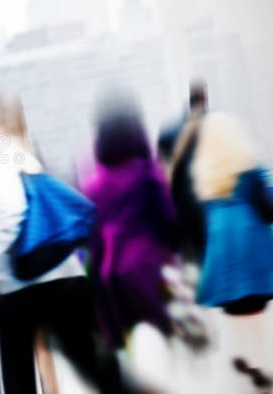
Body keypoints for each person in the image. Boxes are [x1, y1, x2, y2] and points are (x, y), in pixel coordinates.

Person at [0, 89, 128, 394]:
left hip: (19, 283)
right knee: (92, 364)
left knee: (17, 371)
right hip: (62, 273)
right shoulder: (22, 151)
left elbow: (12, 211)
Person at [82, 95, 178, 349]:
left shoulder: (92, 184)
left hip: (111, 274)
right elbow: (168, 216)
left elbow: (91, 238)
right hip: (149, 265)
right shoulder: (146, 173)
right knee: (162, 337)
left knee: (132, 343)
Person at [192, 112, 273, 389]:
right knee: (255, 306)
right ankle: (259, 362)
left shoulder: (206, 177)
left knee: (236, 306)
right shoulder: (249, 166)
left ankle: (244, 357)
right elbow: (268, 205)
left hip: (221, 244)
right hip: (250, 240)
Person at [158, 80, 208, 264]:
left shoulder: (168, 129)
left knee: (194, 260)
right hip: (206, 203)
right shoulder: (211, 124)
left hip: (182, 208)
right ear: (204, 98)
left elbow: (161, 169)